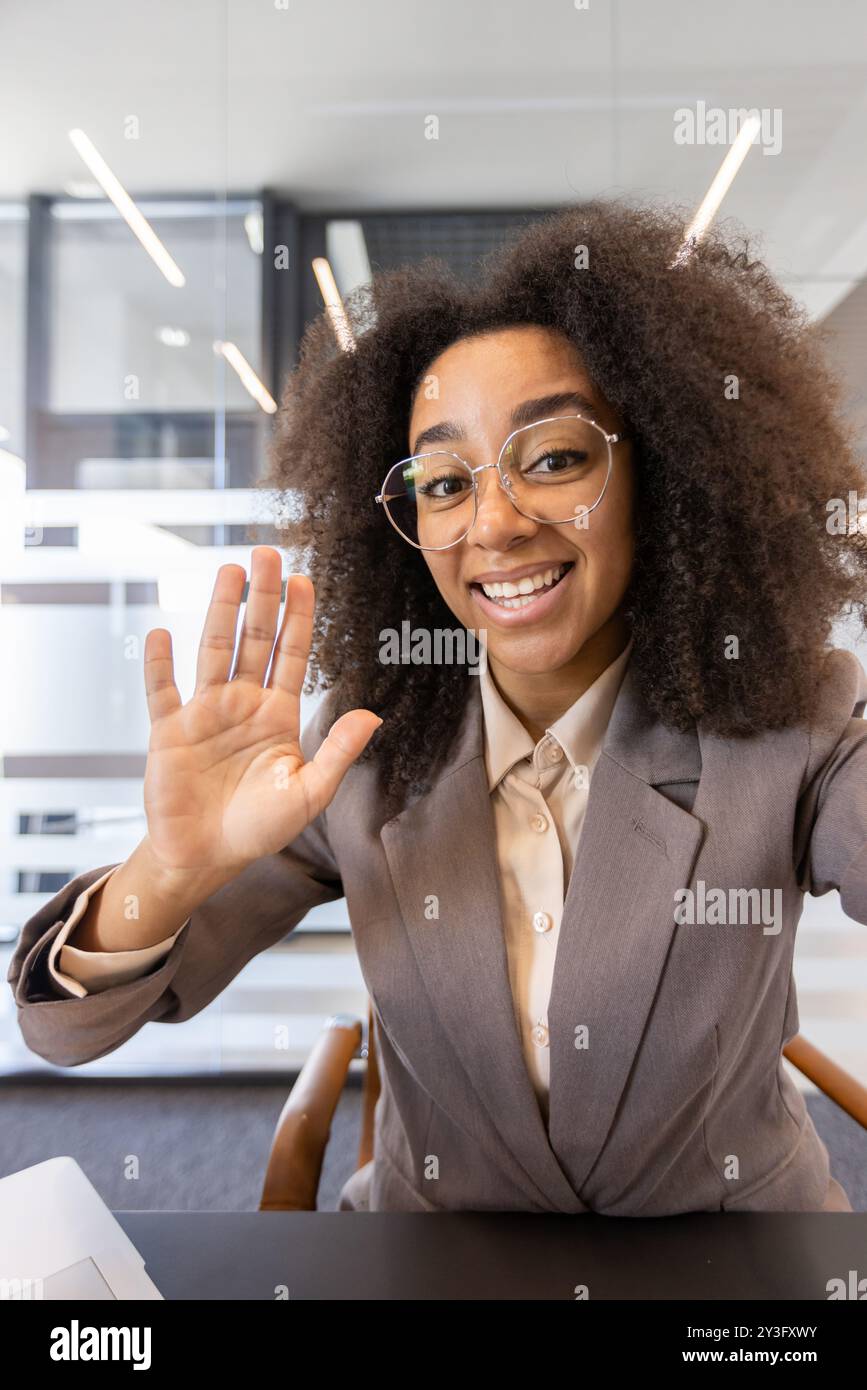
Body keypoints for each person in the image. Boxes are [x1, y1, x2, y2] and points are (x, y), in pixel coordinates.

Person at [10, 199, 867, 1214]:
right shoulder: (360, 747)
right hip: (432, 1264)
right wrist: (172, 866)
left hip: (729, 1275)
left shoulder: (786, 717)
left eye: (554, 457)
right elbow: (70, 1031)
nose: (494, 524)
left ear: (662, 475)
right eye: (445, 480)